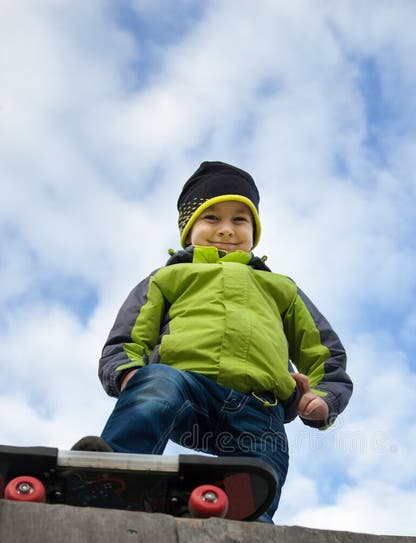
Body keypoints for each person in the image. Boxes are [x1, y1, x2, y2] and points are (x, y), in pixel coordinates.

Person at [73, 160, 352, 521]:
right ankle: (115, 474)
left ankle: (251, 521)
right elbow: (128, 335)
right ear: (188, 229)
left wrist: (324, 397)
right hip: (185, 389)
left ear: (254, 230)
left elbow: (325, 352)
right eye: (211, 218)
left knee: (260, 473)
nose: (226, 230)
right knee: (157, 385)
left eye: (240, 220)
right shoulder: (169, 278)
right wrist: (126, 373)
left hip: (260, 406)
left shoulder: (281, 288)